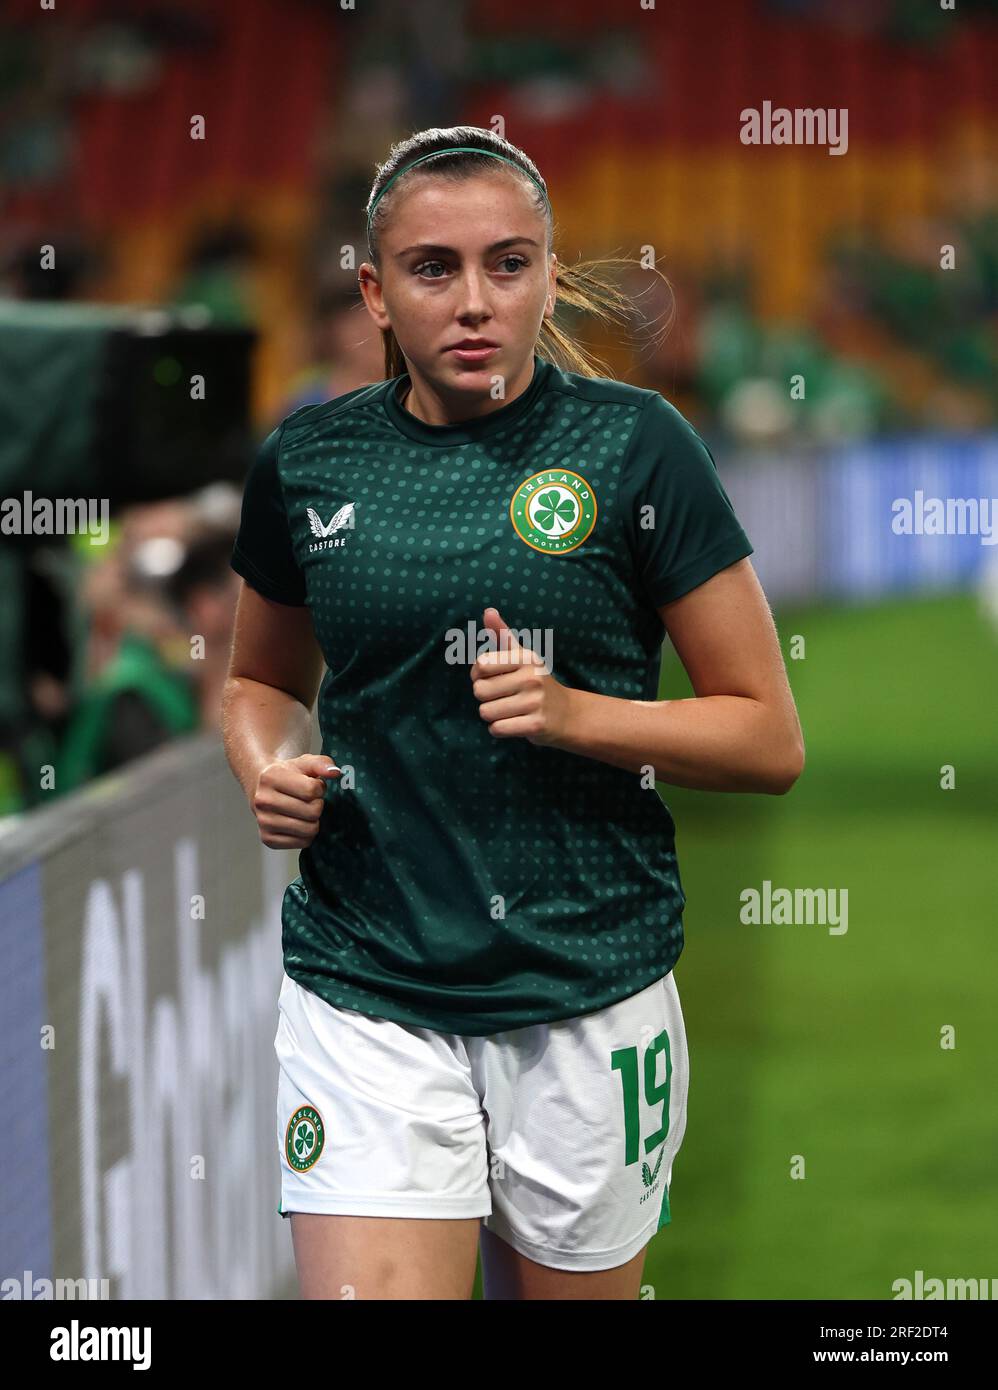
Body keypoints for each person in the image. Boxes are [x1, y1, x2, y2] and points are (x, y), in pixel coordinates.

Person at [222, 126, 804, 1301]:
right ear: (375, 292)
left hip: (587, 985)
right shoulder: (308, 463)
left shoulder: (637, 449)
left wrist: (574, 714)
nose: (475, 300)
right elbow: (259, 682)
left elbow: (764, 736)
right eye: (433, 268)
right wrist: (267, 762)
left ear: (549, 273)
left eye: (509, 262)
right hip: (367, 982)